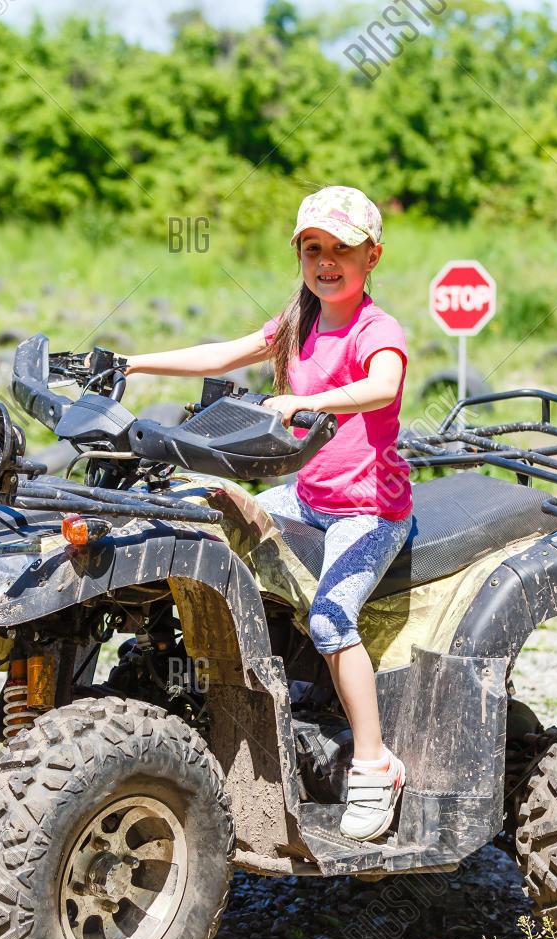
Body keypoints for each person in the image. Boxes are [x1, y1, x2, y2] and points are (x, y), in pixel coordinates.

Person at [124, 185, 413, 841]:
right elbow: (221, 355)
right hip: (307, 496)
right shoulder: (297, 325)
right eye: (315, 248)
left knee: (332, 616)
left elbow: (385, 384)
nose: (327, 261)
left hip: (369, 510)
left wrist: (310, 404)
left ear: (372, 256)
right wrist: (133, 362)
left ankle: (373, 763)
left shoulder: (376, 329)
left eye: (342, 248)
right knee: (195, 508)